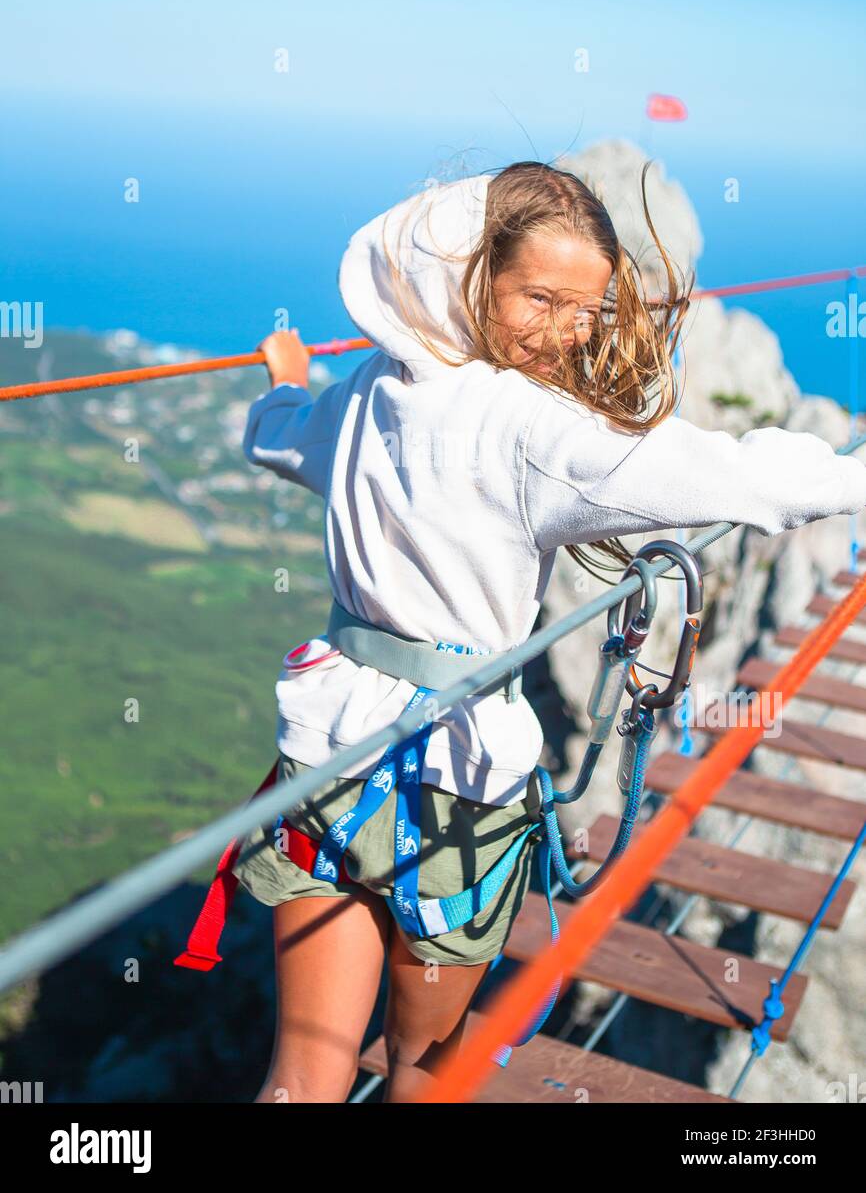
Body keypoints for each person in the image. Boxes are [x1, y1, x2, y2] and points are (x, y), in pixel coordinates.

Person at [231, 160, 866, 1103]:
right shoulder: (534, 428)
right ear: (472, 276)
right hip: (454, 796)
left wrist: (286, 382)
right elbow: (741, 480)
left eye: (587, 309)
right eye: (540, 295)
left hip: (328, 759)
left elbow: (277, 436)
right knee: (426, 1071)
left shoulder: (364, 391)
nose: (566, 330)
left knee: (303, 1073)